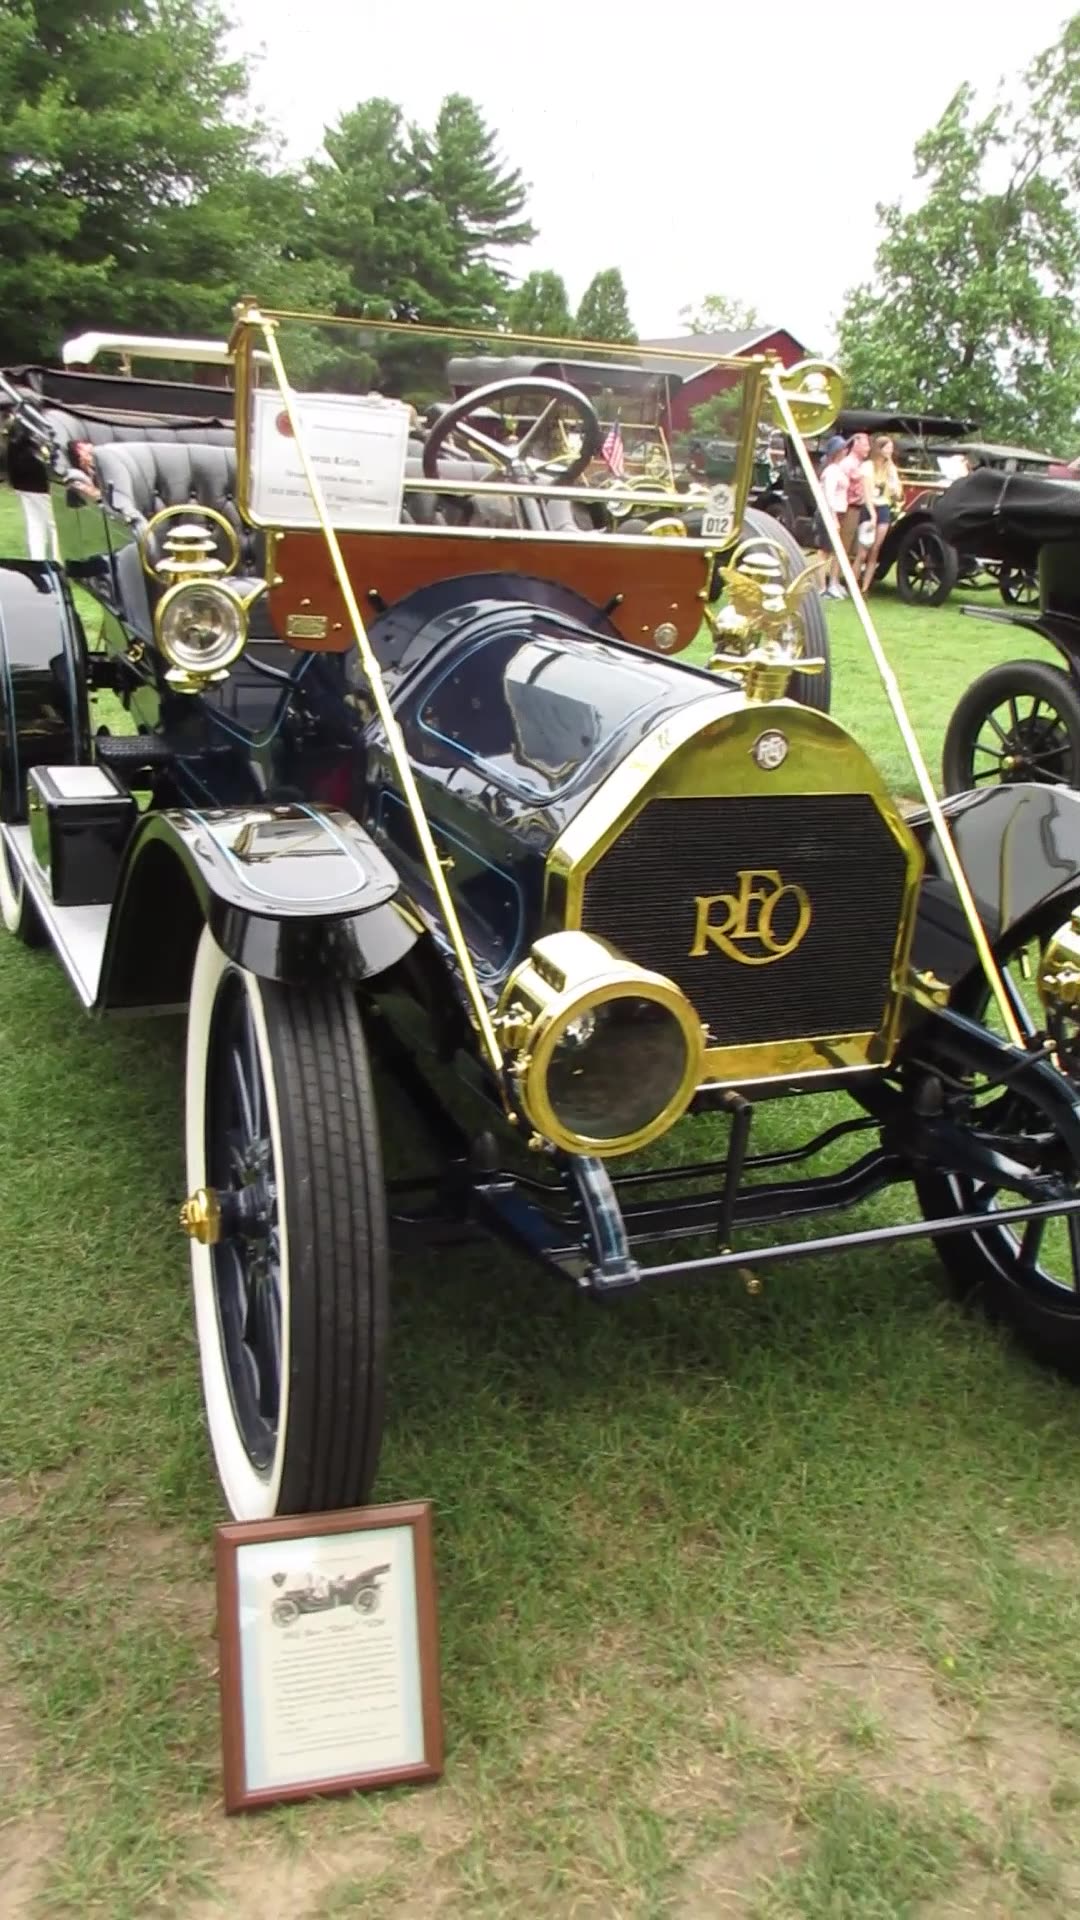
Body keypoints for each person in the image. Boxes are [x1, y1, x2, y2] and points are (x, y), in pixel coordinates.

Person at [860, 434, 903, 594]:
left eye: (892, 448)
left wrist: (894, 483)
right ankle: (855, 583)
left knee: (875, 549)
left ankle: (866, 587)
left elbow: (896, 493)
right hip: (870, 507)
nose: (890, 451)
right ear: (879, 449)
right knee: (863, 549)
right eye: (887, 448)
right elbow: (867, 493)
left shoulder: (890, 469)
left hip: (883, 506)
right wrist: (872, 515)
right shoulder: (868, 466)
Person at [813, 434, 850, 598]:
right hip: (828, 514)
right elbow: (828, 496)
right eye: (843, 448)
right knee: (824, 552)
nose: (846, 451)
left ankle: (829, 585)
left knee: (831, 551)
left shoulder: (838, 469)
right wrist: (833, 518)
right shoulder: (831, 471)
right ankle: (821, 587)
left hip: (838, 513)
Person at [837, 431, 871, 579]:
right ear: (855, 444)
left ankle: (840, 579)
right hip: (849, 508)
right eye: (865, 445)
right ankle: (834, 580)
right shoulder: (847, 464)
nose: (868, 449)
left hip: (858, 509)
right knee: (842, 546)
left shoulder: (860, 465)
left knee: (851, 546)